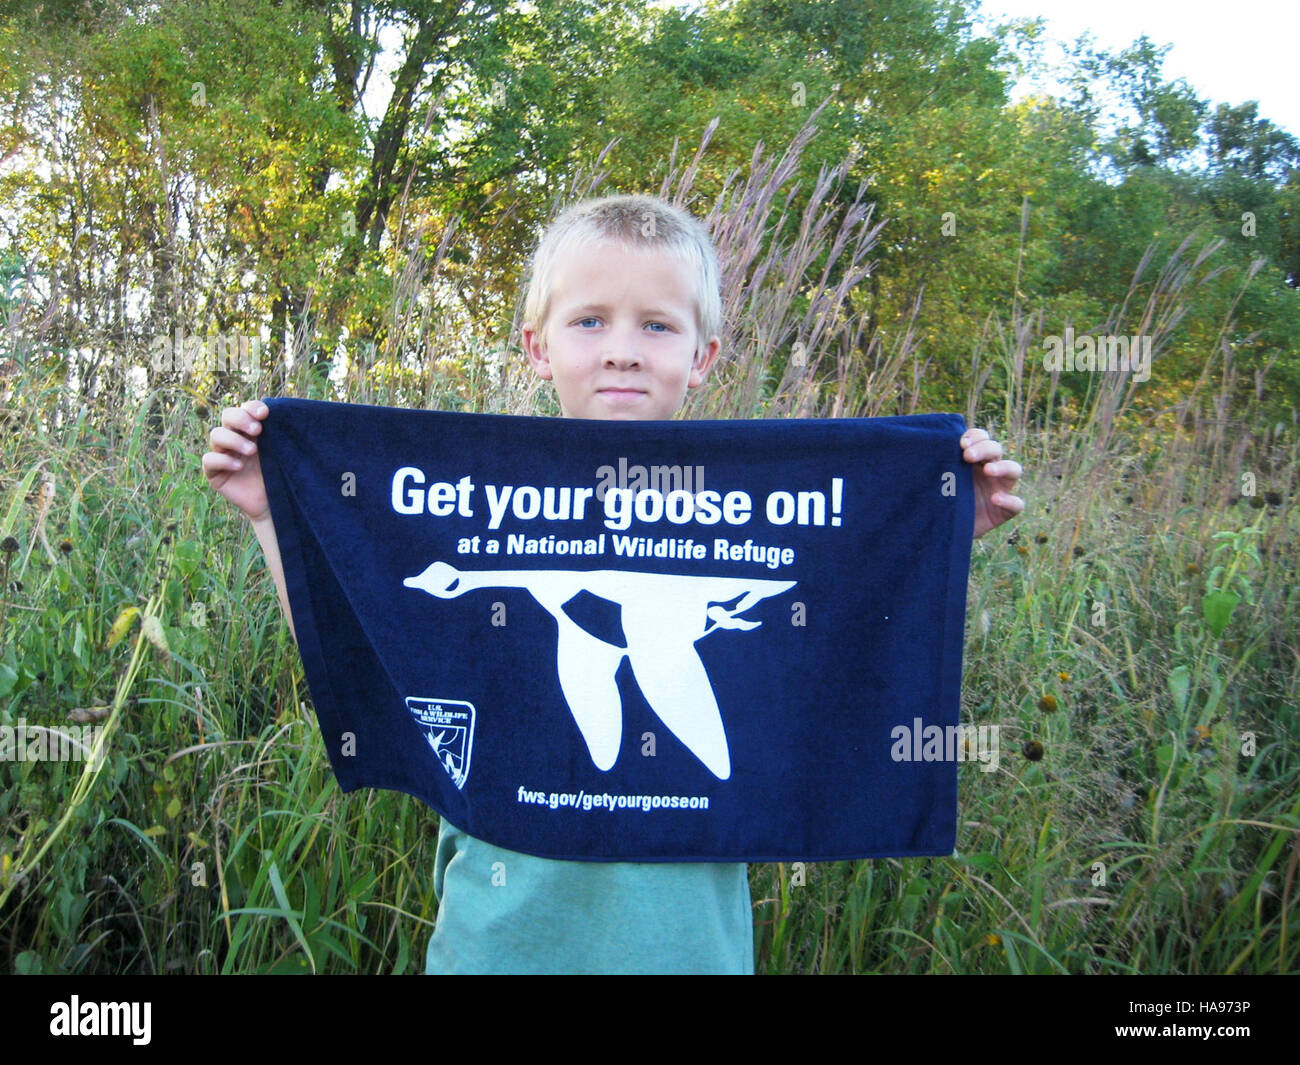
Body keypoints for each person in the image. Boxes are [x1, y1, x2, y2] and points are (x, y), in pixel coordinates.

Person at [203, 193, 1024, 974]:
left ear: (701, 357)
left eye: (657, 325)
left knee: (674, 707)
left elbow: (856, 612)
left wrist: (944, 526)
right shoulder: (472, 497)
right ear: (538, 346)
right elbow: (364, 634)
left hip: (687, 952)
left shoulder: (762, 507)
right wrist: (273, 517)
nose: (622, 348)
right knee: (596, 729)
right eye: (589, 320)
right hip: (497, 948)